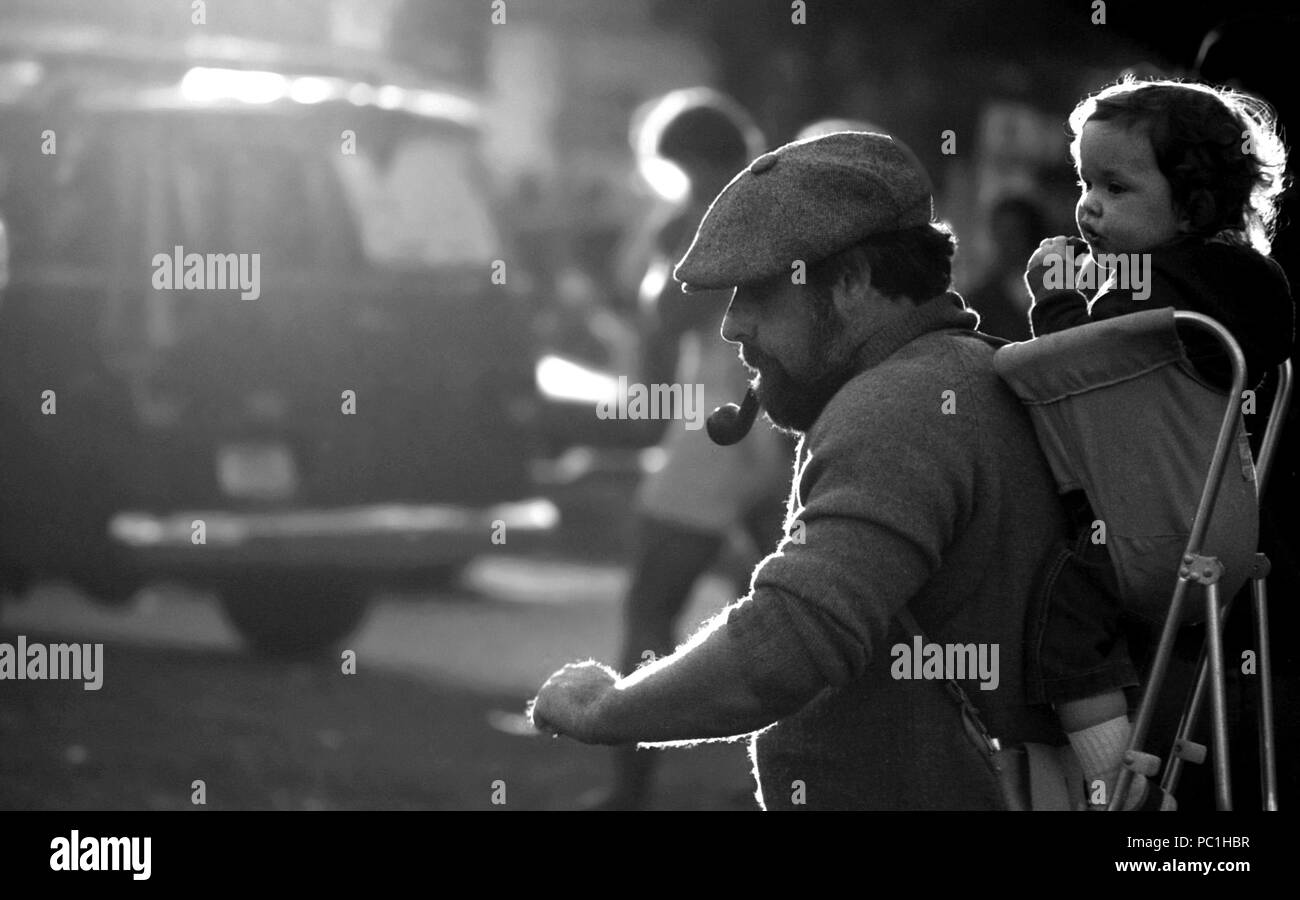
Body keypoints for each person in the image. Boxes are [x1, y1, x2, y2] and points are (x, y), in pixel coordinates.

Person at [530, 132, 1071, 810]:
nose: (731, 325)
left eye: (758, 291)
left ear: (852, 282)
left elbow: (788, 644)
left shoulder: (898, 408)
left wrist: (605, 709)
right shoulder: (948, 375)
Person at [1022, 78, 1295, 809]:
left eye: (1115, 187)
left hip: (1145, 535)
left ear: (1192, 205)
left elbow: (1073, 379)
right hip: (1228, 536)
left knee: (1058, 615)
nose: (1089, 206)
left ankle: (1119, 784)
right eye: (1084, 182)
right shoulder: (1243, 287)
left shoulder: (1148, 294)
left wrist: (1056, 301)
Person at [585, 89, 792, 810]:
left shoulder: (722, 215)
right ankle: (780, 786)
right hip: (778, 431)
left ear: (698, 162)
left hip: (722, 429)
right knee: (785, 619)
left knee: (651, 605)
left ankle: (628, 791)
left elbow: (673, 313)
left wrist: (668, 247)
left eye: (681, 170)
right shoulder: (780, 207)